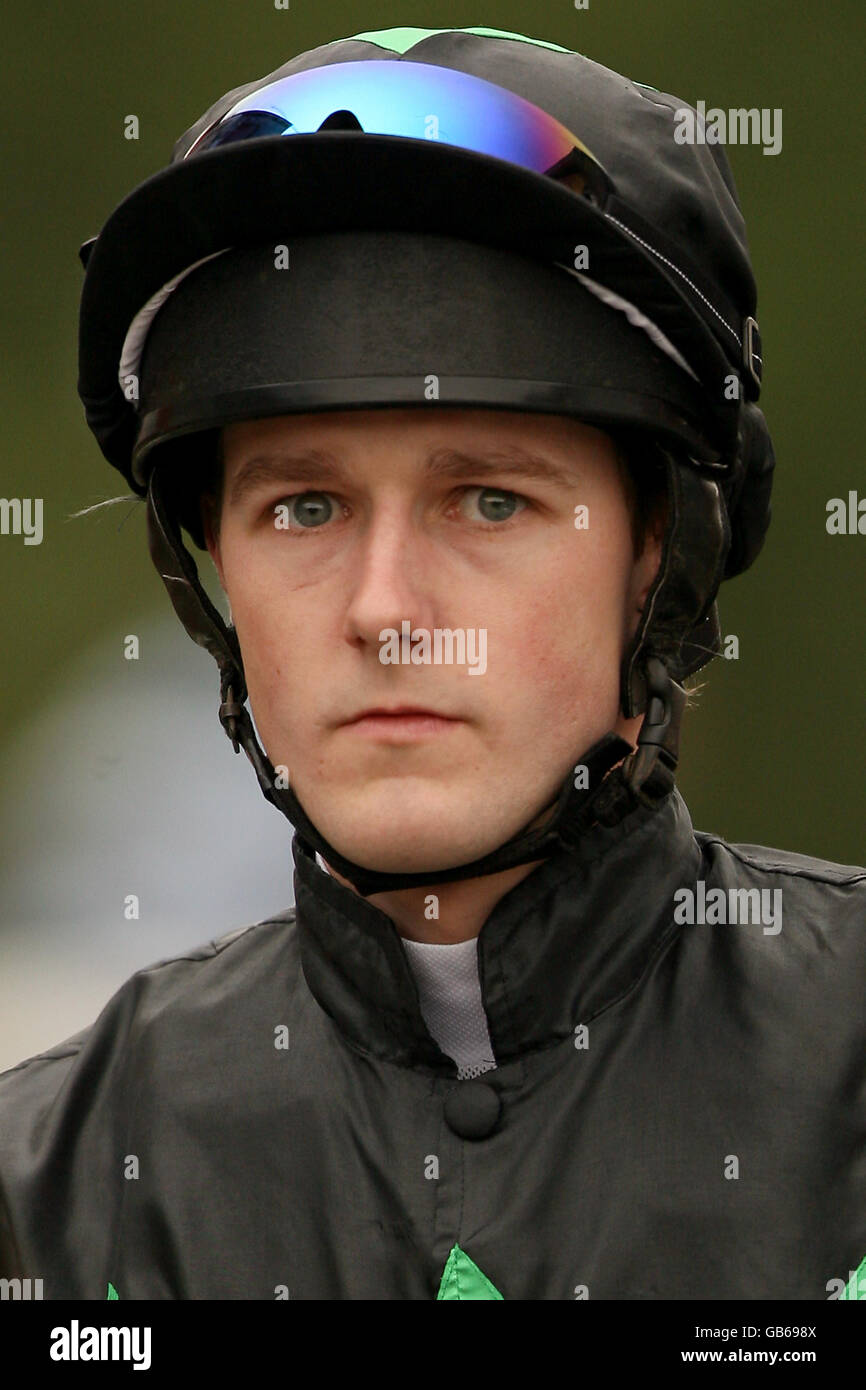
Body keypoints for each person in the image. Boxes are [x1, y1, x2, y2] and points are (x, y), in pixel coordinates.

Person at [1, 24, 864, 1302]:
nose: (384, 609)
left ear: (660, 552)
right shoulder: (50, 1194)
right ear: (212, 580)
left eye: (490, 502)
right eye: (301, 508)